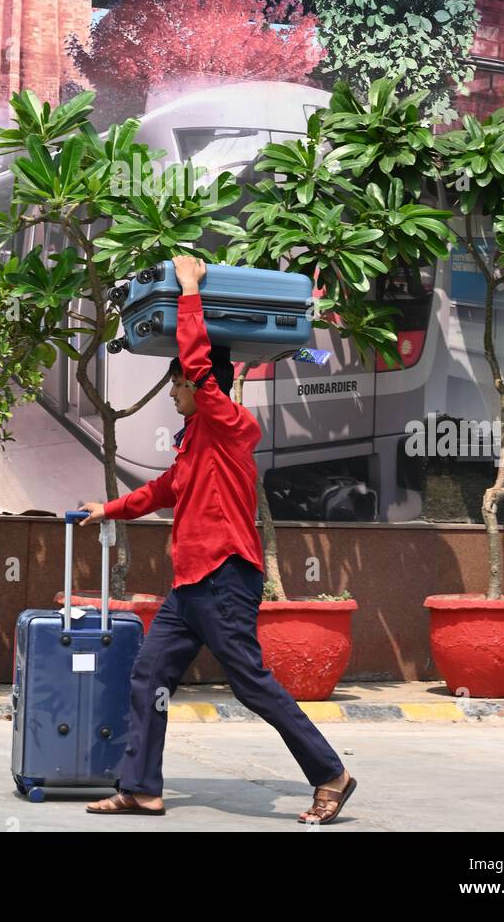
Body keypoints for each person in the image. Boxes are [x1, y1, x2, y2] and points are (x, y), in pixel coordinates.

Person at [80, 254, 355, 825]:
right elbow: (162, 492)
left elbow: (202, 364)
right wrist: (106, 507)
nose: (173, 391)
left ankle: (331, 773)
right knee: (149, 677)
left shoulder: (230, 423)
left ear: (197, 383)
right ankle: (141, 788)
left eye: (177, 382)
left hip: (226, 576)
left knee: (252, 685)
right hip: (190, 585)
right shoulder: (193, 441)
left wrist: (187, 289)